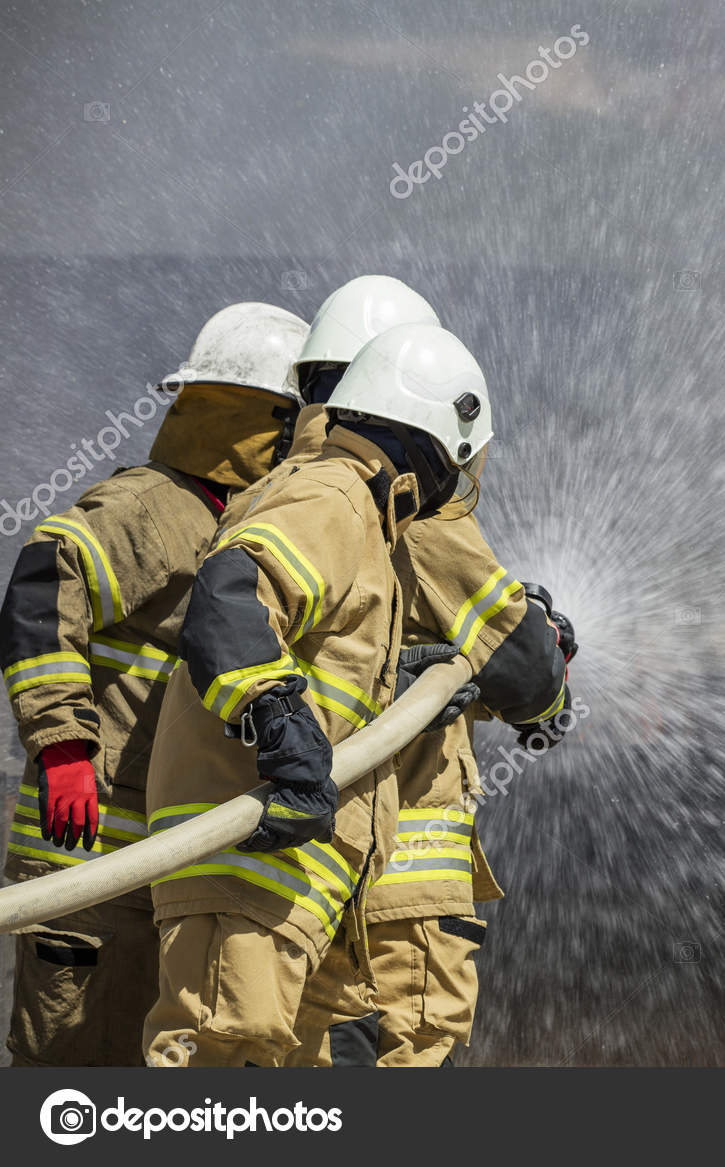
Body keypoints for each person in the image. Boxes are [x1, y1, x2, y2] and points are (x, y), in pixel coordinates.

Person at [140, 323, 494, 1067]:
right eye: (449, 467)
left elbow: (311, 641)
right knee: (218, 1059)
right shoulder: (333, 493)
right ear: (428, 443)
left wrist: (400, 681)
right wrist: (278, 720)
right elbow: (234, 595)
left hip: (294, 871)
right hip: (245, 858)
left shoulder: (359, 516)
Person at [263, 278, 576, 1066]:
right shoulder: (420, 512)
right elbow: (527, 671)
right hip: (394, 881)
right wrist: (543, 654)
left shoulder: (269, 490)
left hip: (287, 863)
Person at [0, 302, 309, 1065]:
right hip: (88, 861)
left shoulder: (228, 524)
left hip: (154, 865)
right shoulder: (158, 507)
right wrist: (63, 743)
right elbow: (44, 582)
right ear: (265, 421)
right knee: (75, 1073)